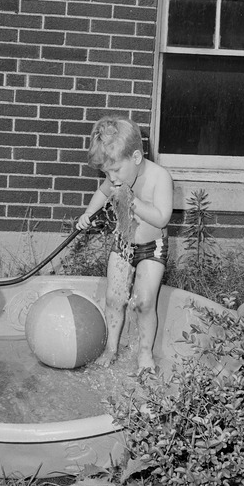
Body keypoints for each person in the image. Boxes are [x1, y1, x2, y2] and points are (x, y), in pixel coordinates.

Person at [77, 116, 174, 373]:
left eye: (116, 170)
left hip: (152, 247)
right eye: (106, 173)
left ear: (136, 157)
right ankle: (111, 349)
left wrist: (134, 202)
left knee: (144, 302)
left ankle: (145, 353)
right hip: (123, 242)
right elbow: (102, 192)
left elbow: (162, 218)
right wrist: (88, 214)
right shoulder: (116, 176)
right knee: (113, 298)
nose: (111, 178)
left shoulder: (160, 177)